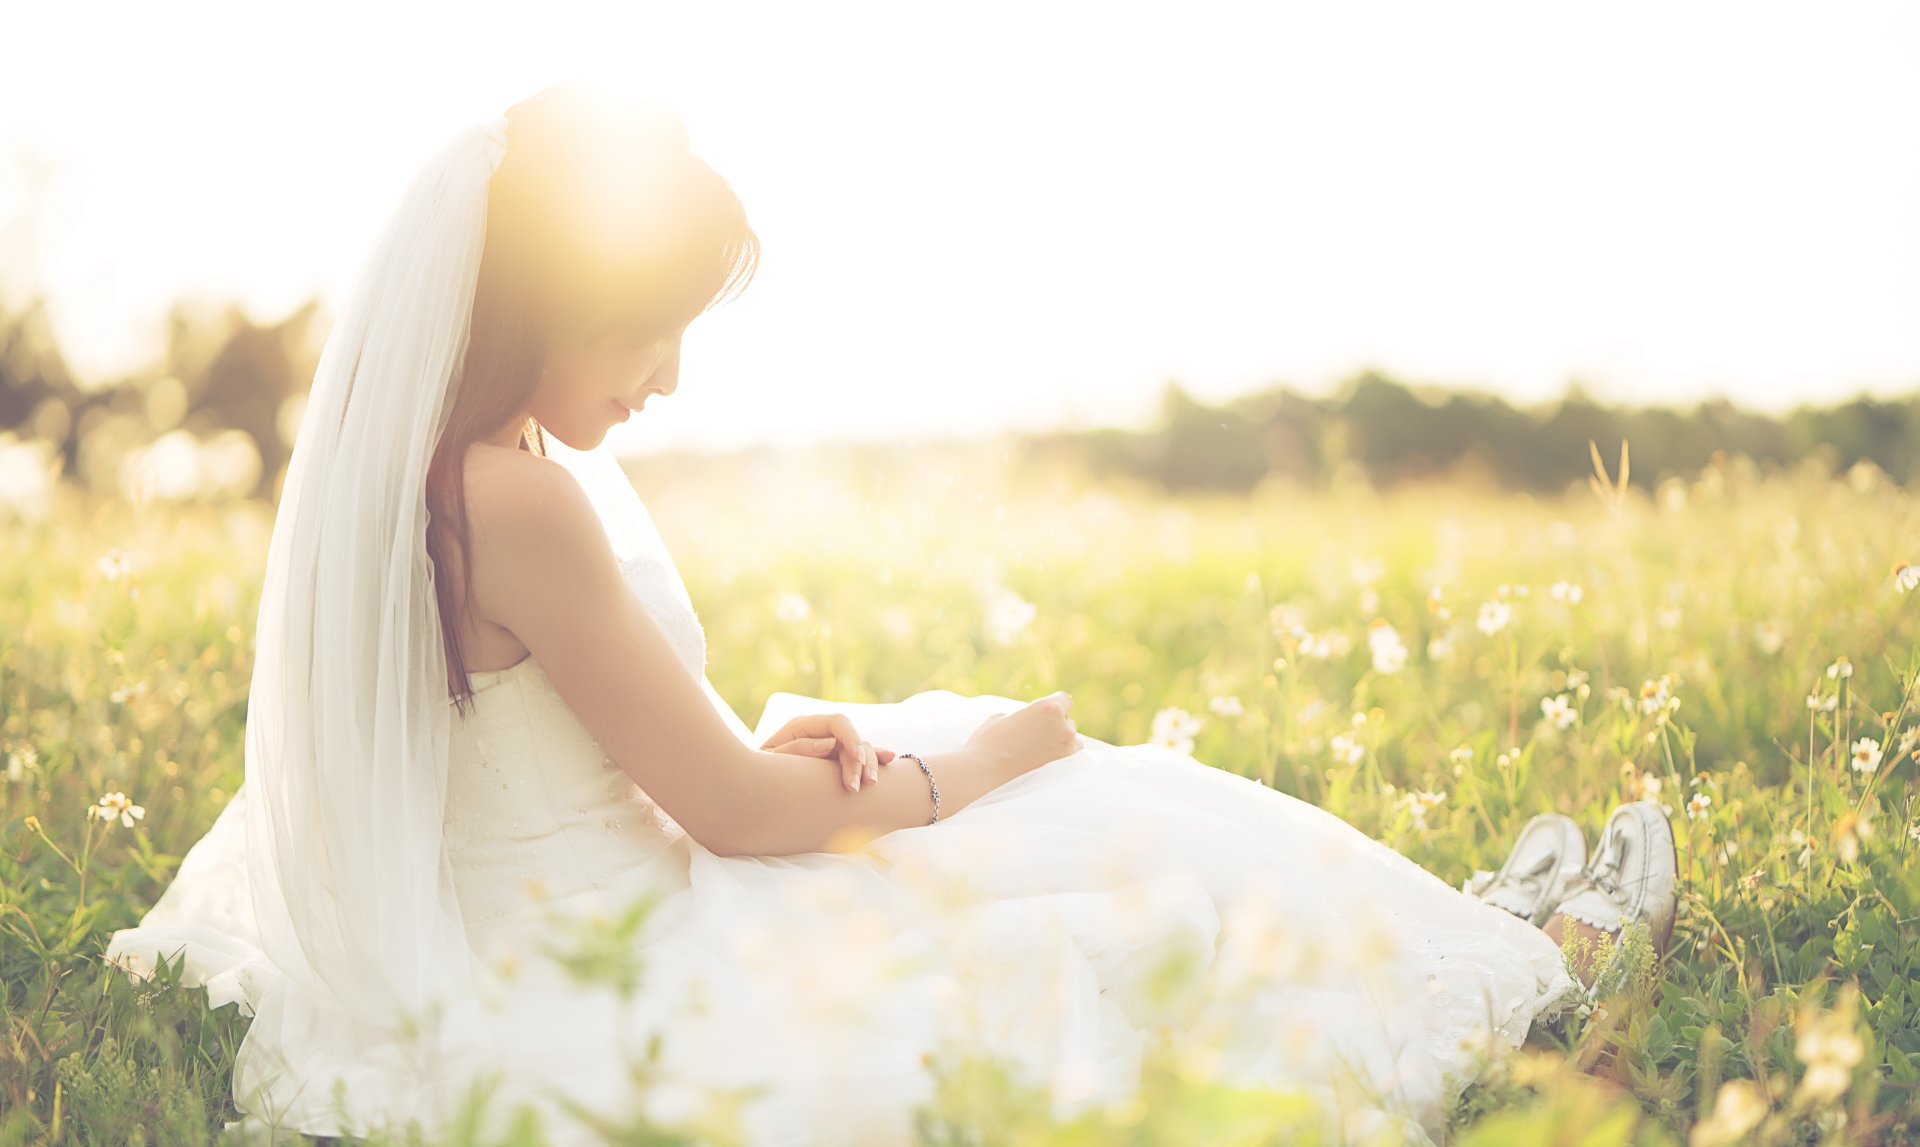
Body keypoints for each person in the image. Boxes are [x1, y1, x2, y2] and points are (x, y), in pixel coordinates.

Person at [102, 83, 1677, 1147]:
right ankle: (1517, 963)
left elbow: (551, 749)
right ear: (545, 301)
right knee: (1067, 816)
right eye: (648, 332)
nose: (668, 379)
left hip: (579, 889)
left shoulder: (455, 471)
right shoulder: (508, 497)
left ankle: (1470, 928)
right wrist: (977, 760)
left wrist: (762, 750)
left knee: (1014, 809)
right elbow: (724, 818)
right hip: (608, 953)